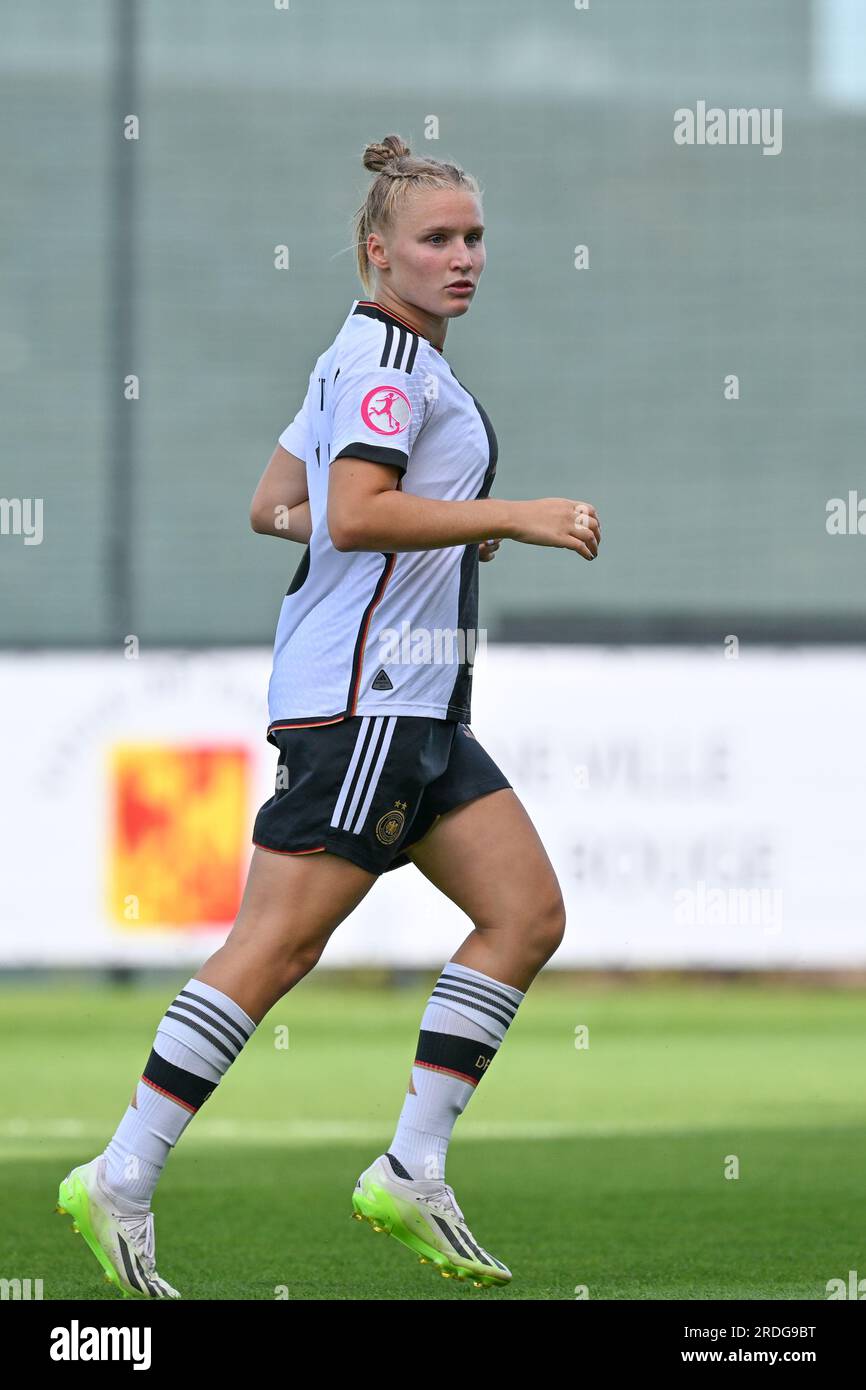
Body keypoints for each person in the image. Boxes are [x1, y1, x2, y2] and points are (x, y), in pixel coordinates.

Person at [56, 134, 601, 1297]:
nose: (463, 258)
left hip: (412, 701)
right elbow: (351, 516)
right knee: (277, 947)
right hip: (365, 704)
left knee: (524, 913)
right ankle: (122, 1174)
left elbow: (275, 508)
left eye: (472, 237)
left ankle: (411, 1167)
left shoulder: (365, 356)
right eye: (436, 239)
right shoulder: (389, 370)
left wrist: (441, 521)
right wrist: (513, 512)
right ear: (376, 250)